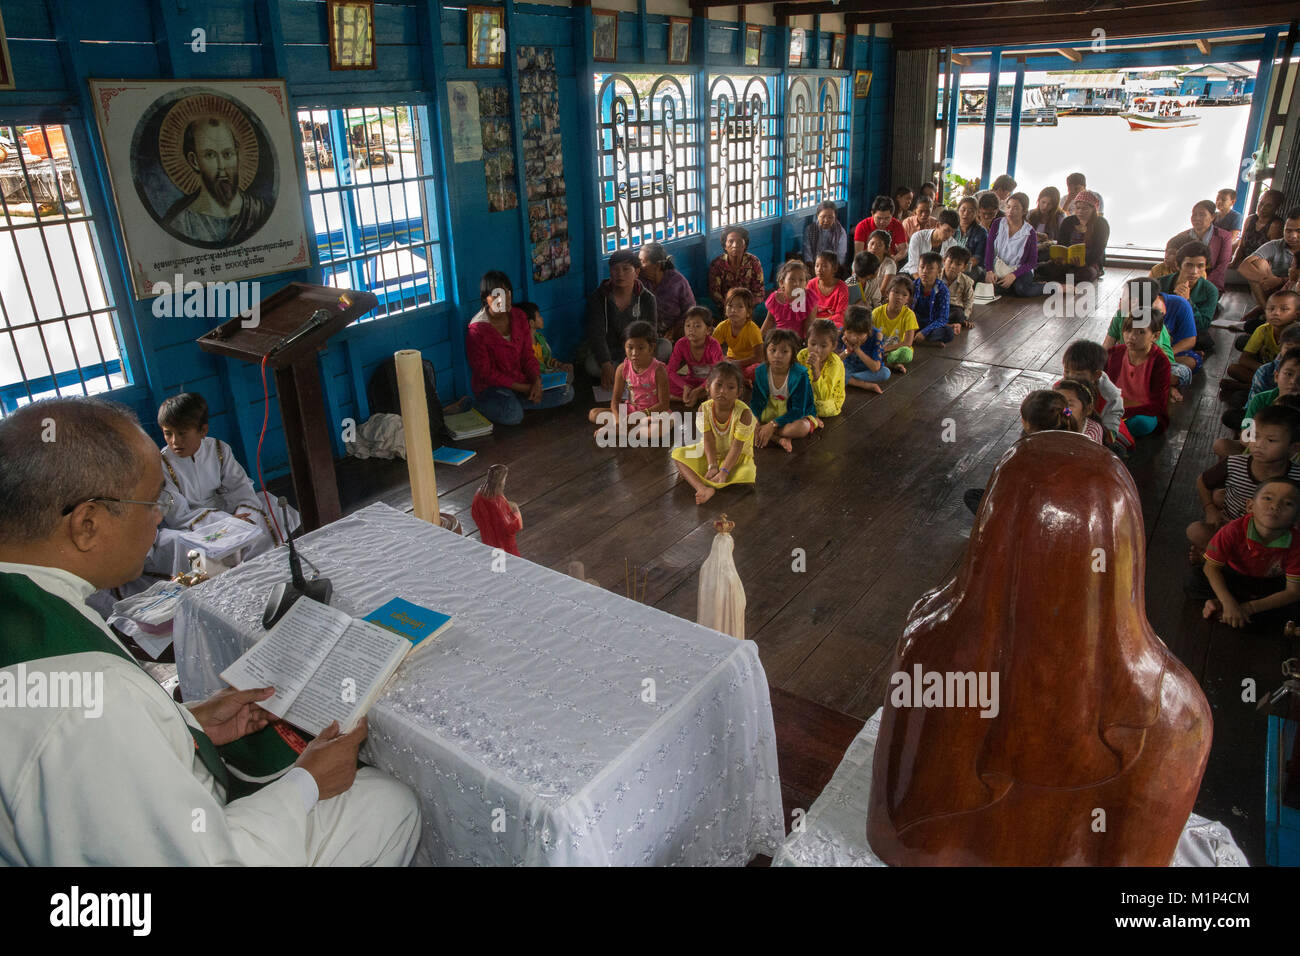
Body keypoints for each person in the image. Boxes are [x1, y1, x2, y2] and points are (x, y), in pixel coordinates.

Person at [0, 397, 422, 865]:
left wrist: (186, 724)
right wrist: (307, 782)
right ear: (87, 524)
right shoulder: (90, 699)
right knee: (388, 802)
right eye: (151, 501)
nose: (159, 515)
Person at [153, 392, 299, 576]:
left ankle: (258, 565)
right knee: (179, 543)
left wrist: (238, 516)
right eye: (168, 434)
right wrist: (225, 522)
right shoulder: (162, 463)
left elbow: (239, 486)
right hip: (192, 523)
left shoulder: (218, 449)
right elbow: (177, 514)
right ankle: (227, 573)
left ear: (202, 431)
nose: (175, 441)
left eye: (182, 433)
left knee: (269, 503)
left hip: (223, 511)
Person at [1190, 479, 1300, 631]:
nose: (1275, 506)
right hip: (1234, 574)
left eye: (1288, 503)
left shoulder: (1296, 544)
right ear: (1250, 506)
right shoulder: (1233, 530)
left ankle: (1225, 607)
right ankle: (1228, 605)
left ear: (1297, 518)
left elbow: (1293, 591)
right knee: (1194, 580)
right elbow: (1211, 568)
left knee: (1293, 609)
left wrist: (1248, 608)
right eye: (1268, 498)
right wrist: (1228, 602)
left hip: (1270, 583)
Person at [1189, 404, 1300, 554]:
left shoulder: (1296, 476)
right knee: (1196, 531)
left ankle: (1215, 557)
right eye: (1256, 435)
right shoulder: (1234, 464)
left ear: (1293, 448)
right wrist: (1210, 509)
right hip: (1230, 530)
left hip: (1274, 539)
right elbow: (1202, 481)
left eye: (1271, 440)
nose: (1259, 445)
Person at [470, 271, 574, 425]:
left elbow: (528, 355)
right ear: (486, 299)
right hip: (494, 388)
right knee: (513, 415)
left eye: (507, 292)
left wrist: (536, 381)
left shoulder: (519, 317)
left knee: (566, 392)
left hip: (522, 381)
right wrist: (524, 388)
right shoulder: (477, 330)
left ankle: (520, 402)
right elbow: (487, 374)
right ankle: (474, 406)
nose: (504, 299)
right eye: (497, 295)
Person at [162, 115, 270, 246]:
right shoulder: (182, 224)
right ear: (194, 161)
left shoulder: (260, 211)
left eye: (227, 154)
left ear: (237, 155)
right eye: (210, 155)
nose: (221, 166)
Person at [671, 362, 755, 505]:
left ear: (739, 392)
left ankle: (716, 478)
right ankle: (702, 488)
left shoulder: (744, 413)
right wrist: (712, 465)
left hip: (736, 458)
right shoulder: (703, 409)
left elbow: (737, 447)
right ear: (708, 387)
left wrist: (724, 471)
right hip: (711, 454)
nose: (723, 391)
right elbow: (708, 440)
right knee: (678, 456)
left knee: (747, 474)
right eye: (719, 385)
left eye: (730, 387)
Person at [1103, 277, 1197, 397]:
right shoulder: (1120, 315)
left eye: (1125, 297)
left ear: (1135, 302)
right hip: (1129, 363)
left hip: (1155, 366)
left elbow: (1152, 358)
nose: (1121, 299)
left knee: (1183, 373)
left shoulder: (1153, 323)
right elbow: (1107, 345)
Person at [586, 250, 662, 390]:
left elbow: (650, 333)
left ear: (637, 272)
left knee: (665, 347)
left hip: (637, 352)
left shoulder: (647, 298)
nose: (620, 274)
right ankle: (625, 373)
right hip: (611, 353)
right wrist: (606, 364)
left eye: (626, 269)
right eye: (615, 269)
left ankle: (626, 373)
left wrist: (639, 358)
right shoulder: (598, 298)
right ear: (610, 271)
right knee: (592, 365)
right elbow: (597, 335)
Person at [588, 320, 670, 443]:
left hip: (652, 413)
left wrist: (639, 416)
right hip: (631, 411)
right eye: (630, 347)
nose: (634, 353)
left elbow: (664, 405)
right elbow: (615, 401)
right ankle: (627, 429)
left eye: (640, 348)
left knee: (659, 429)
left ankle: (621, 431)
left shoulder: (658, 371)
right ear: (624, 346)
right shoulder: (622, 368)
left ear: (651, 348)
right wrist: (617, 419)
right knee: (593, 414)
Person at [751, 328, 819, 451]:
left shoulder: (800, 374)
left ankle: (768, 432)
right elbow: (756, 403)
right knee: (746, 419)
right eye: (773, 350)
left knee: (802, 427)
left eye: (784, 351)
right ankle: (777, 438)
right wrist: (755, 419)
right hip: (770, 408)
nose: (777, 355)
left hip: (792, 414)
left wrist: (772, 425)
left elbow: (798, 410)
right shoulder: (761, 371)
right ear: (766, 351)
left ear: (792, 354)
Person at [1106, 312, 1171, 440]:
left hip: (1141, 413)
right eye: (1128, 330)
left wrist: (1121, 410)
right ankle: (1114, 433)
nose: (1131, 337)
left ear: (1155, 336)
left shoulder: (1160, 363)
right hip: (1111, 408)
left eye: (1140, 332)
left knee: (1141, 424)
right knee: (1069, 409)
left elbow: (1157, 405)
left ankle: (1113, 434)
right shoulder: (1114, 354)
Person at [1222, 289, 1300, 393]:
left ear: (1297, 314)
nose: (1276, 313)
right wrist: (1265, 370)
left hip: (1290, 376)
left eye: (1284, 309)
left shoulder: (1296, 335)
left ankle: (1246, 387)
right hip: (1268, 372)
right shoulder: (1263, 329)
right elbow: (1244, 359)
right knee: (1233, 369)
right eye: (1271, 309)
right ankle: (1258, 388)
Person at [1036, 189, 1108, 286]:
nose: (1080, 211)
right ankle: (1064, 273)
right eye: (1078, 208)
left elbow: (1098, 249)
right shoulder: (1069, 221)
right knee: (1043, 269)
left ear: (1093, 209)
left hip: (1089, 262)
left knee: (1084, 274)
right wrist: (1060, 258)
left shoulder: (1101, 223)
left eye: (1085, 209)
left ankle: (1066, 275)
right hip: (1067, 261)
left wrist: (1084, 262)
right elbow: (1061, 244)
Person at [1238, 209, 1300, 310]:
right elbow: (1243, 267)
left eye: (1299, 231)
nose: (1293, 236)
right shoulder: (1276, 245)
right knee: (1258, 264)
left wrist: (1280, 280)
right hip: (1270, 290)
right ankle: (1265, 309)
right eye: (1288, 231)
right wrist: (1266, 281)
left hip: (1295, 292)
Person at [984, 192, 1044, 297]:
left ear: (1024, 211)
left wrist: (1013, 275)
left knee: (1021, 289)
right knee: (990, 284)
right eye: (1008, 207)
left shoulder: (1029, 232)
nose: (1010, 211)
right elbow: (989, 250)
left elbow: (1032, 262)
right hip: (999, 268)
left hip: (1020, 270)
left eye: (1015, 208)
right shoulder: (997, 224)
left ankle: (1053, 287)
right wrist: (989, 270)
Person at [1063, 339, 1124, 443]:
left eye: (1078, 374)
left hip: (1100, 434)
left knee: (1118, 451)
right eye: (1067, 371)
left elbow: (1110, 433)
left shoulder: (1111, 398)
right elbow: (1060, 410)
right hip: (1071, 430)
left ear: (1096, 375)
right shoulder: (1062, 389)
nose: (1071, 378)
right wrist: (1069, 414)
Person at [1164, 200, 1232, 292]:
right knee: (1146, 292)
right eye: (1194, 214)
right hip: (1183, 280)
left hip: (1211, 283)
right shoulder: (1181, 236)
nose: (1197, 218)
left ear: (1213, 217)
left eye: (1202, 215)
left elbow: (1222, 266)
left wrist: (1201, 285)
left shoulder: (1224, 237)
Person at [1158, 241, 1219, 339]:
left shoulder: (1210, 290)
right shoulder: (1159, 283)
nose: (1194, 271)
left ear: (1205, 267)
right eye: (1189, 265)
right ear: (1178, 266)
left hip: (1187, 335)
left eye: (1200, 266)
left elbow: (1203, 326)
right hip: (1159, 333)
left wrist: (1187, 302)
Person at [667, 306, 724, 408]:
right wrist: (684, 386)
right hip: (691, 381)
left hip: (710, 381)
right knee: (664, 381)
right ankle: (695, 397)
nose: (691, 329)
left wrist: (698, 390)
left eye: (697, 326)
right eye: (688, 325)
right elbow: (671, 370)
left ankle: (690, 397)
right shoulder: (681, 344)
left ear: (708, 330)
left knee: (721, 383)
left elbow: (718, 372)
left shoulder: (713, 345)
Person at [638, 242, 696, 342]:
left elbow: (690, 309)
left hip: (677, 330)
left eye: (643, 262)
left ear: (657, 265)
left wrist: (674, 331)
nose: (639, 266)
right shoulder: (639, 282)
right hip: (649, 333)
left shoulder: (677, 281)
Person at [708, 226, 765, 313]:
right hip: (725, 307)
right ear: (725, 245)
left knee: (763, 310)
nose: (735, 245)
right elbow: (715, 293)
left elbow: (759, 292)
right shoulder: (717, 264)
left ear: (745, 245)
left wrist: (745, 308)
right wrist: (730, 308)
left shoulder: (753, 262)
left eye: (739, 241)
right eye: (731, 241)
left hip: (748, 307)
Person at [470, 464, 523, 556]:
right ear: (501, 481)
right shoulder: (498, 502)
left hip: (488, 537)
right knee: (508, 561)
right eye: (505, 478)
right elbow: (511, 527)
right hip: (503, 543)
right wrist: (516, 511)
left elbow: (474, 512)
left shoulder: (480, 492)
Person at [798, 319, 847, 418]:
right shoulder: (803, 354)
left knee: (823, 406)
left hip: (829, 400)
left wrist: (816, 370)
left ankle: (807, 415)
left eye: (823, 346)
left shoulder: (835, 363)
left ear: (833, 346)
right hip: (807, 393)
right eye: (813, 344)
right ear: (807, 341)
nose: (817, 349)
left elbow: (824, 396)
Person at [713, 287, 765, 379]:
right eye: (730, 306)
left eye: (740, 306)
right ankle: (737, 377)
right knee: (711, 365)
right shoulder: (723, 326)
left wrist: (738, 363)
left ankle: (736, 377)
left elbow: (759, 357)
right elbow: (711, 347)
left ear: (748, 312)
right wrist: (722, 358)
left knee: (756, 370)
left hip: (749, 363)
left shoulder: (752, 329)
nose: (733, 310)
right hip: (731, 361)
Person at [517, 300, 574, 384]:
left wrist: (560, 365)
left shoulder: (540, 339)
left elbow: (547, 360)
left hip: (546, 373)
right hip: (535, 379)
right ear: (531, 323)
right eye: (539, 316)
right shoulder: (522, 345)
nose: (542, 318)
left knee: (569, 370)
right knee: (564, 384)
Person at [839, 303, 891, 393]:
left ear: (868, 331)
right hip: (848, 367)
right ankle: (863, 384)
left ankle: (846, 379)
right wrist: (847, 351)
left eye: (859, 334)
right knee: (831, 368)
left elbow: (875, 368)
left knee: (885, 373)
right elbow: (835, 360)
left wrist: (857, 350)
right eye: (850, 332)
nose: (853, 337)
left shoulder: (877, 336)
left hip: (867, 369)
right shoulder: (841, 332)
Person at [1230, 188, 1286, 268]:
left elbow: (1272, 256)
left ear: (1276, 208)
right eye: (1261, 203)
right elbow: (1241, 246)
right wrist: (1233, 263)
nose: (1262, 208)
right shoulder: (1250, 219)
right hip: (1242, 262)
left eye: (1269, 206)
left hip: (1259, 268)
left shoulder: (1276, 225)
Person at [873, 275, 919, 372]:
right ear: (887, 293)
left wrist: (885, 349)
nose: (899, 297)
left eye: (904, 295)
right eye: (896, 292)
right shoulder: (877, 312)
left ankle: (886, 361)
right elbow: (868, 335)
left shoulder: (909, 315)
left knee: (906, 353)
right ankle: (889, 364)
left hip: (895, 351)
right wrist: (877, 349)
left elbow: (908, 342)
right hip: (877, 349)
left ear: (908, 299)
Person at [913, 252, 960, 346]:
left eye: (930, 268)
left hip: (932, 324)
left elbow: (942, 318)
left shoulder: (943, 290)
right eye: (922, 267)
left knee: (948, 333)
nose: (925, 271)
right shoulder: (913, 285)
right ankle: (924, 342)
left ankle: (917, 339)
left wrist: (924, 332)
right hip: (914, 322)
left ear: (939, 270)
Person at [762, 259, 817, 339]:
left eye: (801, 280)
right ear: (782, 283)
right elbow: (769, 321)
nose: (797, 283)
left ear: (806, 283)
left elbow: (809, 327)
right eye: (792, 279)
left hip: (799, 342)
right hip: (779, 341)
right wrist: (759, 342)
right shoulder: (776, 299)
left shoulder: (809, 299)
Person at [904, 207, 960, 274]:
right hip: (912, 274)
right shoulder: (918, 237)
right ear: (938, 225)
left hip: (934, 278)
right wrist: (922, 283)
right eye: (946, 230)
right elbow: (913, 266)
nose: (949, 235)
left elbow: (945, 268)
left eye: (953, 232)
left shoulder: (952, 244)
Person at [853, 195, 908, 259]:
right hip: (868, 261)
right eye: (879, 218)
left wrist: (895, 258)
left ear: (892, 215)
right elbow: (858, 254)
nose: (882, 222)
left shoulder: (897, 225)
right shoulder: (862, 226)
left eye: (887, 218)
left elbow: (904, 249)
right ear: (872, 214)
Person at [1054, 378, 1105, 444]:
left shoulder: (1092, 431)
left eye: (1069, 405)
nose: (1062, 409)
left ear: (1088, 409)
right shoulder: (1052, 423)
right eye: (1057, 403)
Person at [807, 250, 848, 327]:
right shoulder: (810, 284)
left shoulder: (842, 287)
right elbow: (807, 310)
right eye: (817, 265)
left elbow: (840, 314)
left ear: (835, 269)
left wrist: (823, 322)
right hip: (813, 322)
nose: (819, 269)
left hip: (832, 324)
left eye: (824, 266)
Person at [802, 200, 849, 266]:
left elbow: (841, 256)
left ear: (835, 217)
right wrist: (813, 267)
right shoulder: (810, 230)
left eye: (830, 217)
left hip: (833, 267)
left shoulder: (840, 232)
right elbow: (807, 254)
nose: (826, 220)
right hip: (814, 266)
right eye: (823, 217)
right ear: (817, 216)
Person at [953, 196, 988, 282]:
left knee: (964, 278)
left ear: (976, 213)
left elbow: (978, 257)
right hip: (950, 264)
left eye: (971, 211)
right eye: (963, 209)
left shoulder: (981, 232)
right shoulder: (952, 227)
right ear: (958, 210)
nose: (965, 214)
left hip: (970, 266)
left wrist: (960, 267)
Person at [858, 231, 897, 308]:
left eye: (879, 245)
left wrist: (869, 303)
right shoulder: (859, 260)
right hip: (860, 299)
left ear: (886, 249)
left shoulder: (890, 264)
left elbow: (882, 291)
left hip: (879, 300)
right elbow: (855, 284)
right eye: (872, 243)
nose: (874, 247)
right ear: (867, 244)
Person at [942, 246, 976, 329]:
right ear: (944, 261)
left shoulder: (967, 281)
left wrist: (965, 317)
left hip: (953, 309)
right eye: (950, 262)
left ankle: (946, 324)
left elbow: (969, 301)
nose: (953, 266)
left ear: (964, 267)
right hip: (937, 306)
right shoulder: (935, 276)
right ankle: (947, 324)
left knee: (958, 314)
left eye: (958, 264)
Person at [1028, 186, 1065, 258]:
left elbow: (1062, 242)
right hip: (1030, 250)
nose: (1045, 206)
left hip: (1050, 253)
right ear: (1038, 200)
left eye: (1049, 204)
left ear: (1054, 205)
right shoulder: (1030, 214)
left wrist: (1047, 240)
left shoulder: (1060, 217)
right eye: (1043, 202)